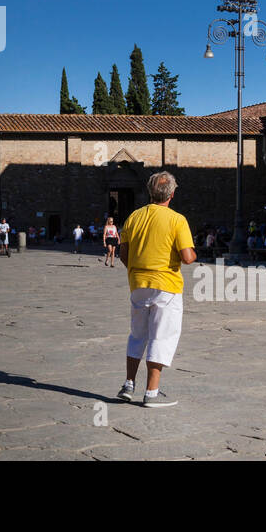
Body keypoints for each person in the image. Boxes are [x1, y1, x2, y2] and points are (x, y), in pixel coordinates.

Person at [115, 171, 196, 408]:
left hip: (138, 283)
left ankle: (129, 384)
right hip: (166, 285)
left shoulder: (133, 217)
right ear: (172, 193)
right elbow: (188, 257)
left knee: (137, 334)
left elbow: (124, 254)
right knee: (162, 336)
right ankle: (151, 392)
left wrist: (137, 269)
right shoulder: (177, 220)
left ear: (150, 192)